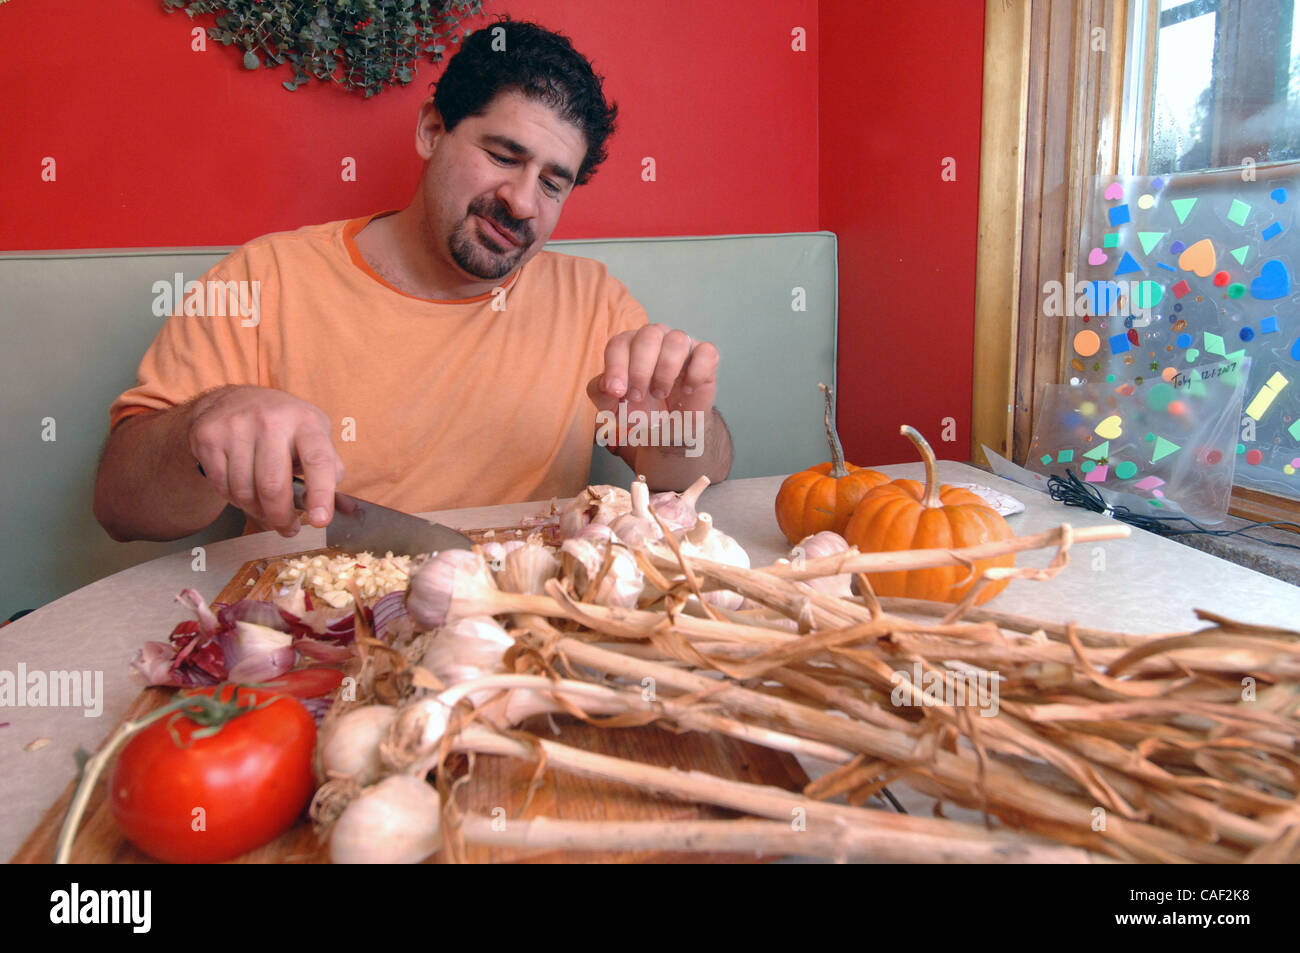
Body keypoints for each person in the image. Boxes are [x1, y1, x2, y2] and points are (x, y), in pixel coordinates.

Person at [94, 18, 732, 543]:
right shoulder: (266, 279)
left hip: (524, 626)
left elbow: (692, 476)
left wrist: (680, 426)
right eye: (503, 156)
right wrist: (204, 421)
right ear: (432, 131)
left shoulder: (591, 299)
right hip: (325, 620)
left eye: (552, 181)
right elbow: (121, 508)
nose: (521, 201)